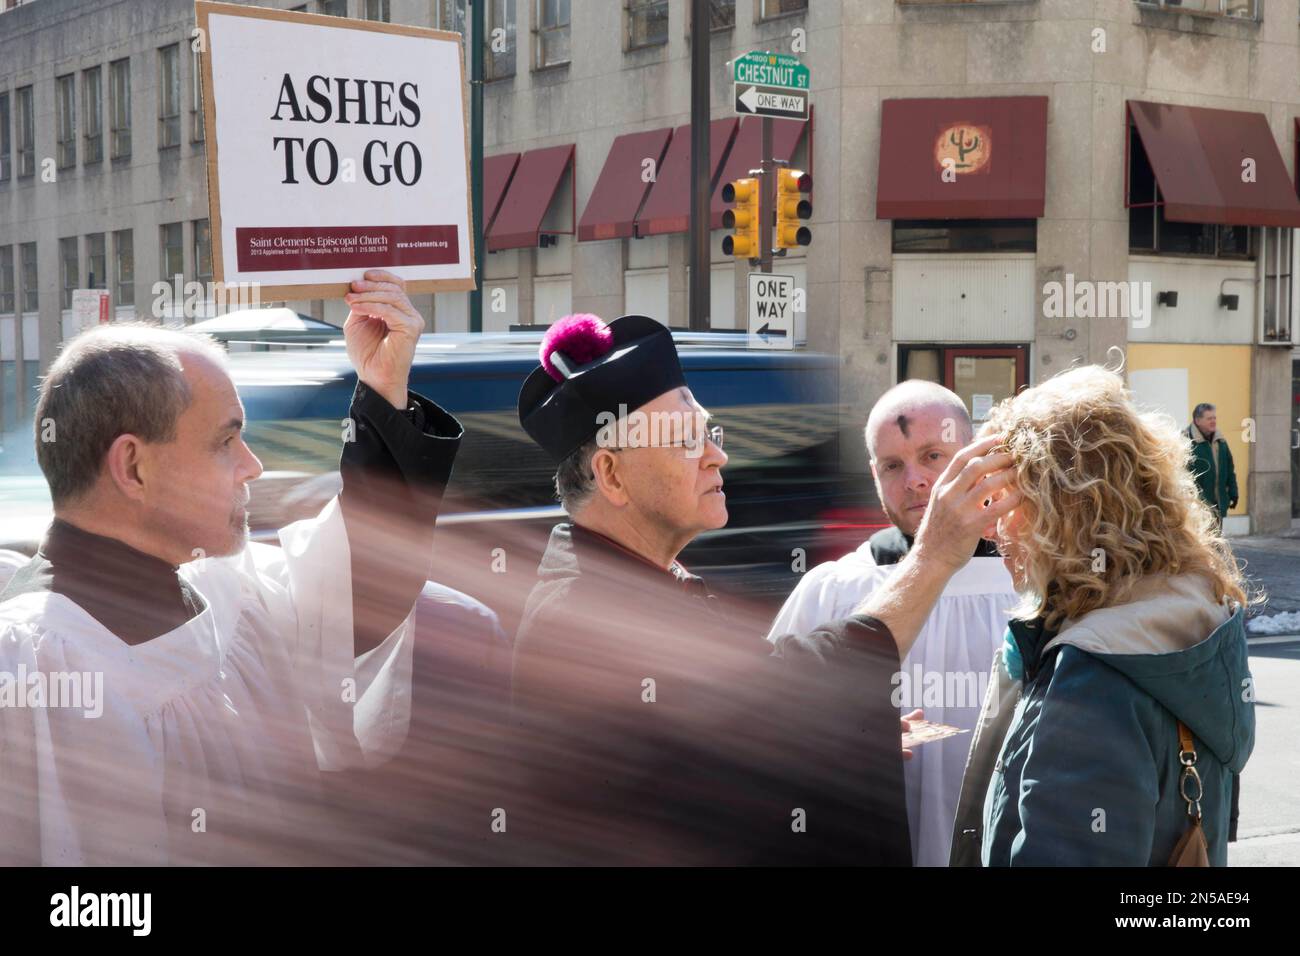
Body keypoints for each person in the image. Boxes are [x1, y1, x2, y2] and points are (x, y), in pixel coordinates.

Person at [504, 312, 1019, 865]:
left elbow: (744, 714)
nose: (717, 455)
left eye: (710, 433)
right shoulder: (583, 616)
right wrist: (936, 556)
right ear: (611, 475)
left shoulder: (650, 581)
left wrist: (840, 737)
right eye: (686, 440)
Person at [0, 270, 463, 865]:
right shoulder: (37, 664)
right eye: (226, 442)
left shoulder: (217, 585)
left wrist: (381, 388)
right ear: (133, 467)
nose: (253, 467)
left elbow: (349, 599)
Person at [949, 367, 1255, 867]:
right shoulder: (1192, 617)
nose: (993, 526)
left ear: (1063, 512)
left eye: (1004, 499)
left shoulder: (1093, 675)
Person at [767, 380, 1017, 866]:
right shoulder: (835, 590)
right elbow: (764, 726)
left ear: (975, 456)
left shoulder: (1030, 584)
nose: (915, 481)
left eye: (933, 456)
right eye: (892, 466)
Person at [1186, 402, 1238, 526]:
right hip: (1196, 508)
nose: (1213, 421)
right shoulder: (1186, 441)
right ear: (1198, 421)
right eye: (1209, 418)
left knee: (1216, 542)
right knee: (1200, 544)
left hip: (1218, 505)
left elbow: (1230, 470)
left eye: (1214, 418)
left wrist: (1233, 493)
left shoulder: (1221, 442)